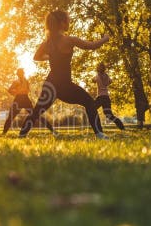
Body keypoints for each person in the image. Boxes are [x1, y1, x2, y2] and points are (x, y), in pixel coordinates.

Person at [19, 10, 108, 139]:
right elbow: (91, 46)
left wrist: (50, 56)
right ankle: (99, 134)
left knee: (37, 110)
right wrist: (105, 39)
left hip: (50, 84)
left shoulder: (47, 43)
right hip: (65, 86)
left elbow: (36, 57)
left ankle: (21, 135)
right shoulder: (69, 40)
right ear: (62, 23)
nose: (69, 23)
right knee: (89, 102)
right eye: (68, 20)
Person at [1, 68, 56, 135]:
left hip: (25, 99)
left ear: (23, 73)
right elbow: (9, 90)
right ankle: (4, 132)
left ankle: (52, 129)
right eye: (18, 73)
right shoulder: (15, 82)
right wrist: (16, 92)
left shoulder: (26, 81)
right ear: (17, 74)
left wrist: (23, 91)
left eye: (21, 73)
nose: (19, 75)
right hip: (18, 100)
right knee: (11, 116)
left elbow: (28, 90)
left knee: (36, 114)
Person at [93, 62, 126, 130]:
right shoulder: (107, 76)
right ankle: (121, 127)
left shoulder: (97, 76)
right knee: (109, 115)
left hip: (100, 97)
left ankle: (97, 126)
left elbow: (93, 80)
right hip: (106, 97)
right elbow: (110, 81)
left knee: (92, 109)